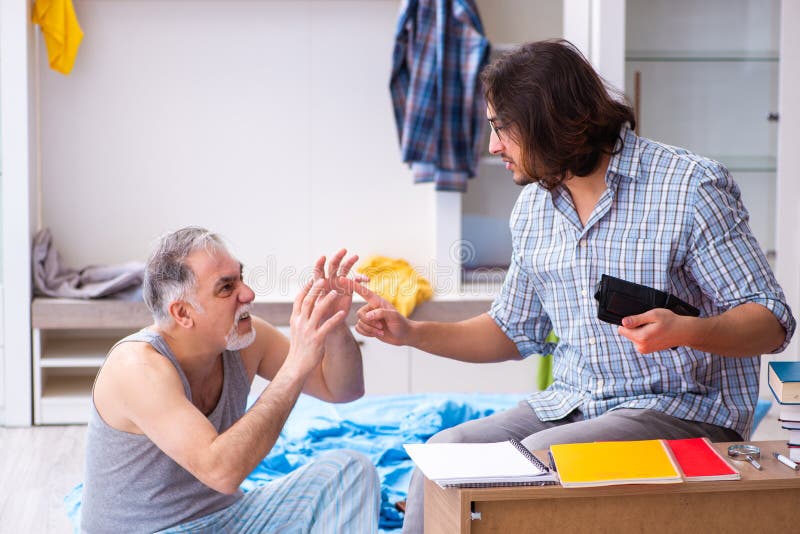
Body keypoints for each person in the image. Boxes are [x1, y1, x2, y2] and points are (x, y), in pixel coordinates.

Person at [354, 40, 796, 533]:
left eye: (501, 128)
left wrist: (685, 331)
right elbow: (510, 331)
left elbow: (771, 321)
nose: (492, 145)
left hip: (683, 411)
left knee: (540, 462)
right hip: (573, 405)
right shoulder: (534, 210)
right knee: (442, 456)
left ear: (550, 122)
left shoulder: (690, 186)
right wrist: (411, 331)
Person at [81, 227, 380, 533]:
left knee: (351, 471)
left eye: (241, 277)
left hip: (226, 518)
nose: (248, 294)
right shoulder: (137, 367)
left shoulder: (244, 339)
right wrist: (294, 367)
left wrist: (333, 324)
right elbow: (222, 473)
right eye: (226, 288)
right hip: (157, 529)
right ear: (183, 313)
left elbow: (343, 389)